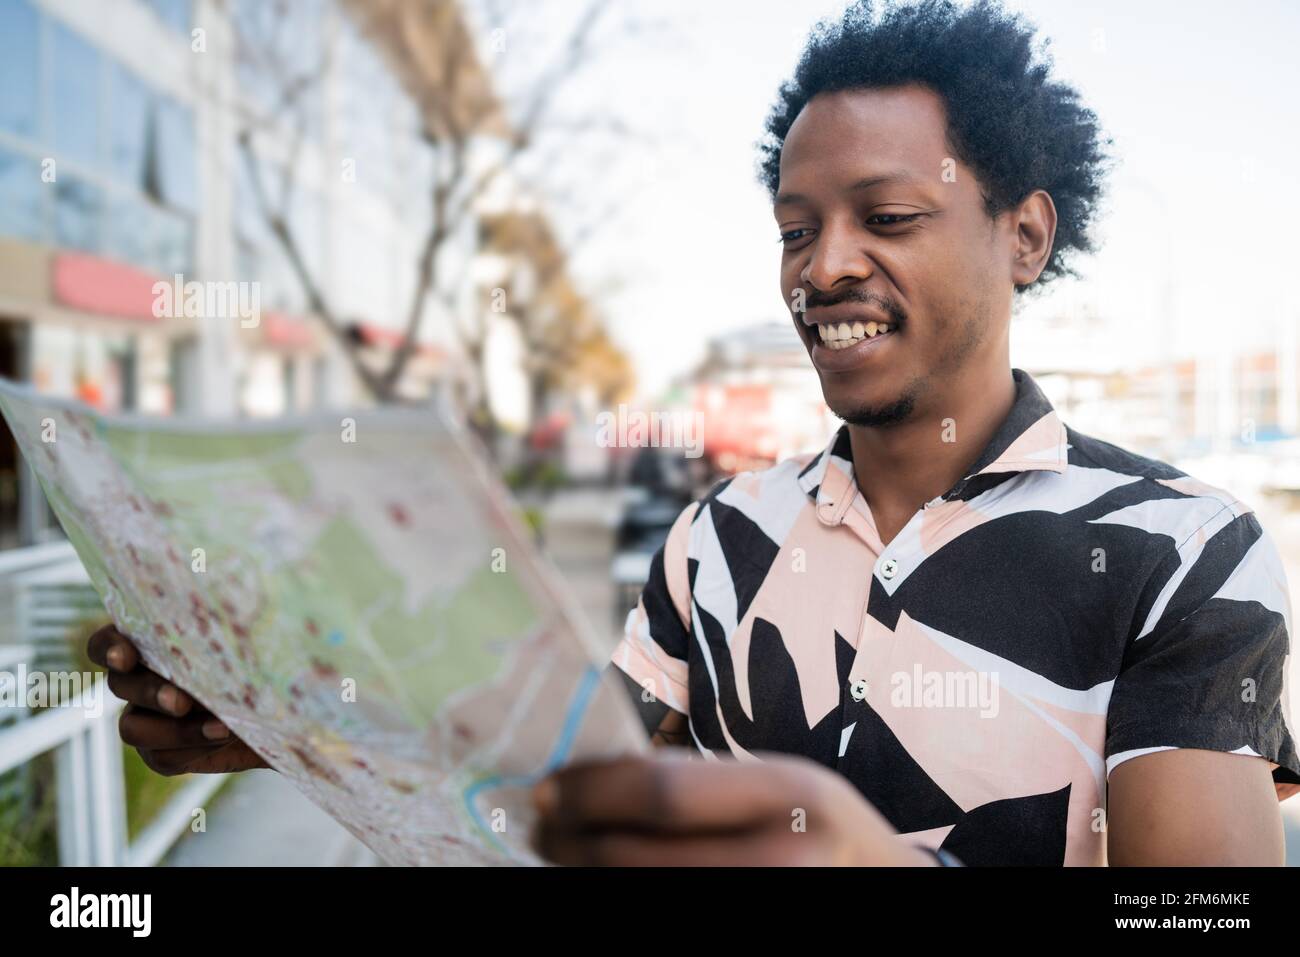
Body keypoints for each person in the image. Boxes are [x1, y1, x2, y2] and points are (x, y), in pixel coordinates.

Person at [91, 0, 1300, 866]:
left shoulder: (1181, 550)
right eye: (794, 228)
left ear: (1024, 236)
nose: (823, 269)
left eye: (886, 215)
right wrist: (275, 721)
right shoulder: (720, 533)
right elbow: (563, 769)